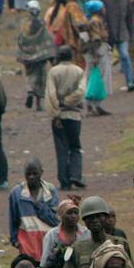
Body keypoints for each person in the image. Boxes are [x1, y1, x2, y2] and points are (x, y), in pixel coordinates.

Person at [45, 46, 86, 190]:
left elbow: (51, 94)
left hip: (59, 115)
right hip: (74, 115)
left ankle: (64, 181)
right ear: (71, 56)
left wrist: (56, 111)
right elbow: (81, 91)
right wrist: (69, 101)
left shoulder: (53, 72)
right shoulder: (79, 71)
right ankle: (76, 174)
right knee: (75, 146)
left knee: (61, 148)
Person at [7, 158, 59, 262]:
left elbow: (55, 220)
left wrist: (38, 205)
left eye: (35, 174)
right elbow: (13, 218)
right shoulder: (17, 193)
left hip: (47, 239)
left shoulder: (50, 190)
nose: (31, 177)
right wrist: (15, 240)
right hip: (27, 241)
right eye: (28, 174)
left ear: (41, 172)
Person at [17, 1, 55, 111]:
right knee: (41, 77)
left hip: (26, 55)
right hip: (40, 55)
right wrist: (51, 55)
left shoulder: (24, 23)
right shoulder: (41, 24)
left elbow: (21, 39)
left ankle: (30, 90)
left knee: (29, 75)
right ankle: (38, 103)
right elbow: (46, 38)